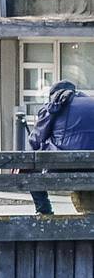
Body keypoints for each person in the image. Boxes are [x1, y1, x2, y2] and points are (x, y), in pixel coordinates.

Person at [27, 80, 94, 215]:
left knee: (29, 170)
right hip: (92, 166)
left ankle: (44, 211)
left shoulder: (52, 106)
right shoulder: (90, 104)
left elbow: (35, 140)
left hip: (62, 166)